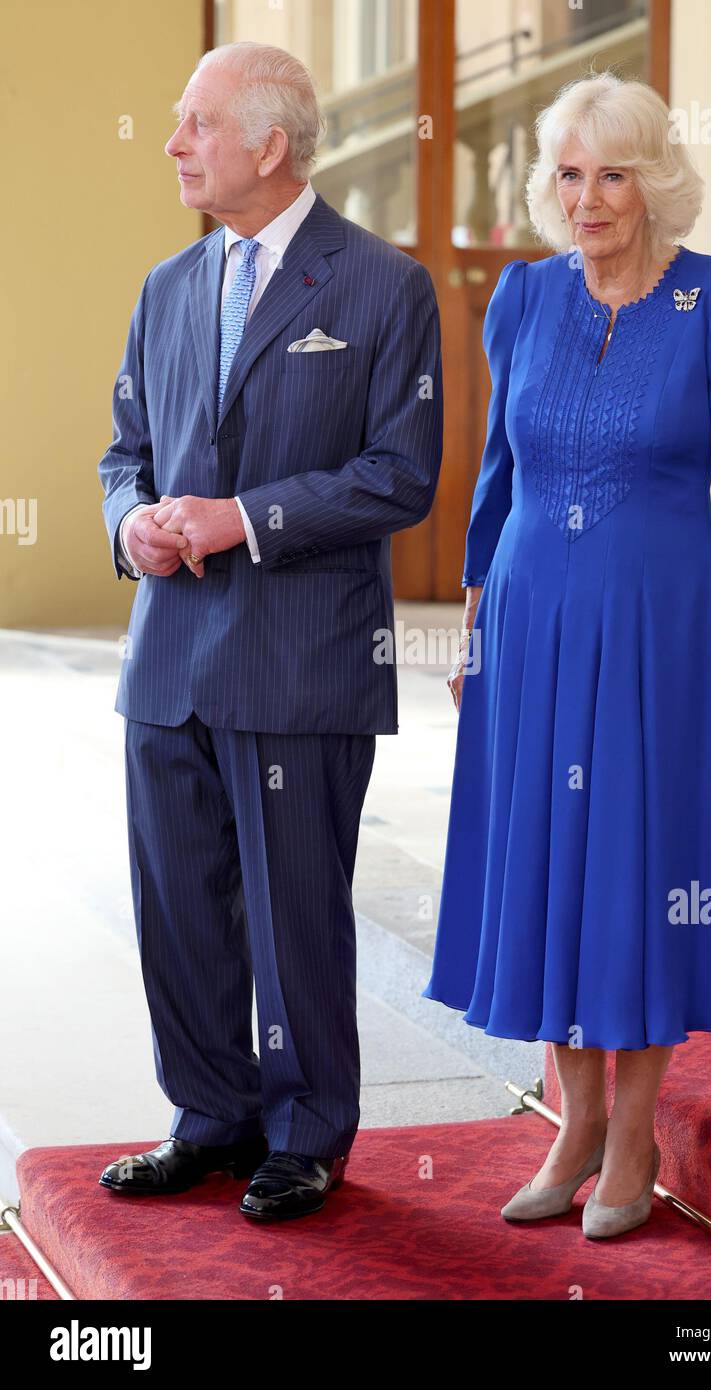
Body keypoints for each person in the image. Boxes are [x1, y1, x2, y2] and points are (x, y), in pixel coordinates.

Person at [423, 71, 711, 1239]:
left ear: (654, 184)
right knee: (545, 858)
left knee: (639, 861)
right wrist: (474, 611)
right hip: (532, 615)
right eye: (569, 174)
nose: (587, 198)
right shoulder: (523, 298)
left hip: (657, 624)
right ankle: (570, 1123)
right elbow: (495, 470)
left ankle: (633, 1133)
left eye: (612, 174)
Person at [97, 41, 442, 1221]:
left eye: (194, 123)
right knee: (176, 906)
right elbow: (122, 456)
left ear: (268, 145)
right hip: (167, 660)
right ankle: (209, 1114)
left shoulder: (382, 287)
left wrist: (242, 518)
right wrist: (129, 520)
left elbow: (403, 475)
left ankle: (304, 1133)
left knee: (295, 914)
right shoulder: (163, 286)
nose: (173, 142)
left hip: (302, 663)